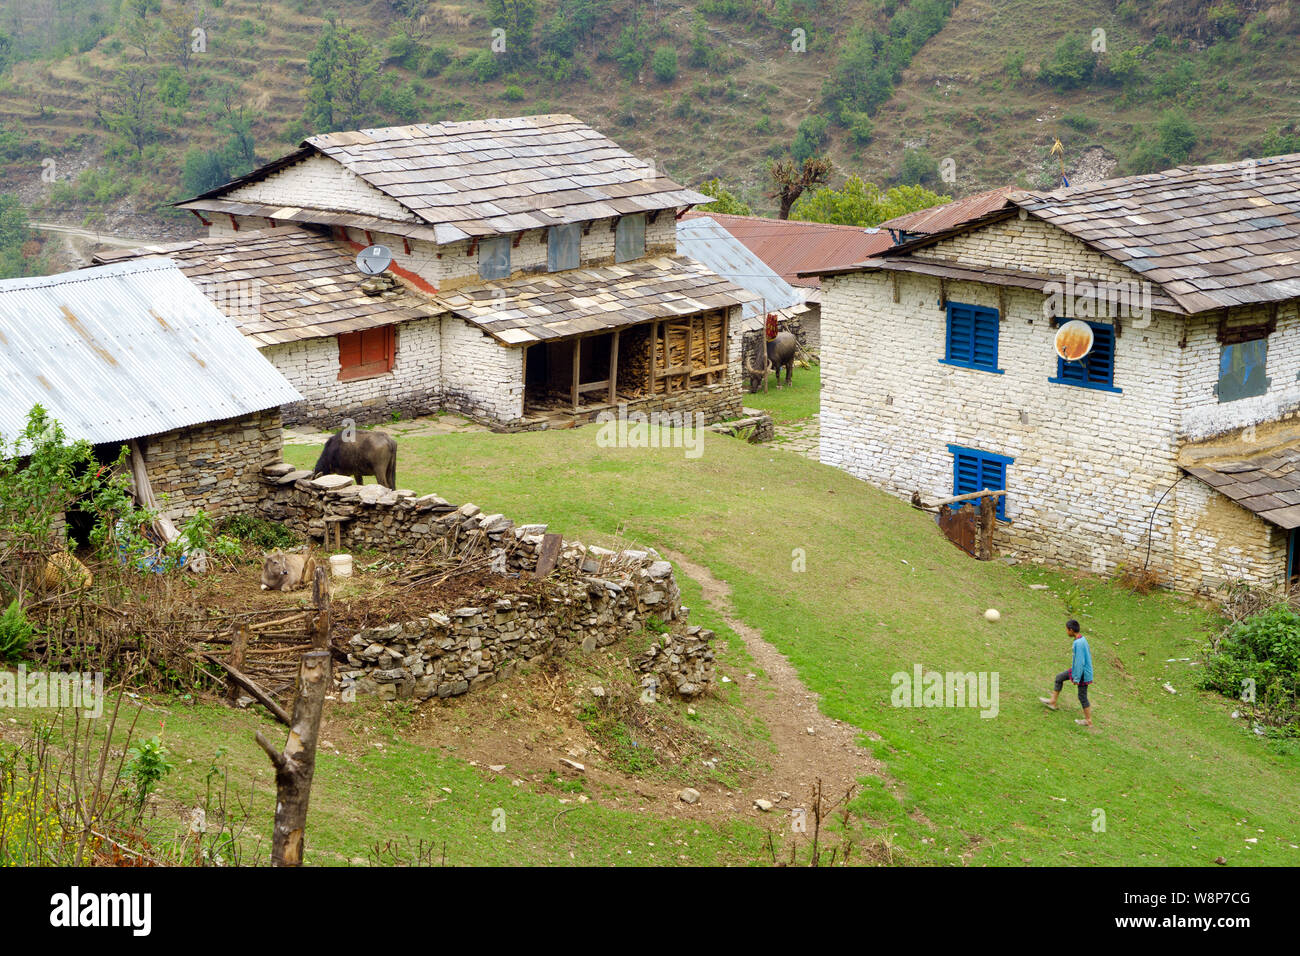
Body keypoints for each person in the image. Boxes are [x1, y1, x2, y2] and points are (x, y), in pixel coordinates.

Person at [1039, 619, 1094, 726]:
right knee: (1059, 678)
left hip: (1082, 673)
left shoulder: (1078, 643)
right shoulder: (1081, 639)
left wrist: (1076, 678)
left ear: (1071, 630)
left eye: (1066, 629)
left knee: (1082, 696)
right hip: (1078, 670)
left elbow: (1079, 662)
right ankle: (1052, 702)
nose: (1066, 632)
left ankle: (1088, 721)